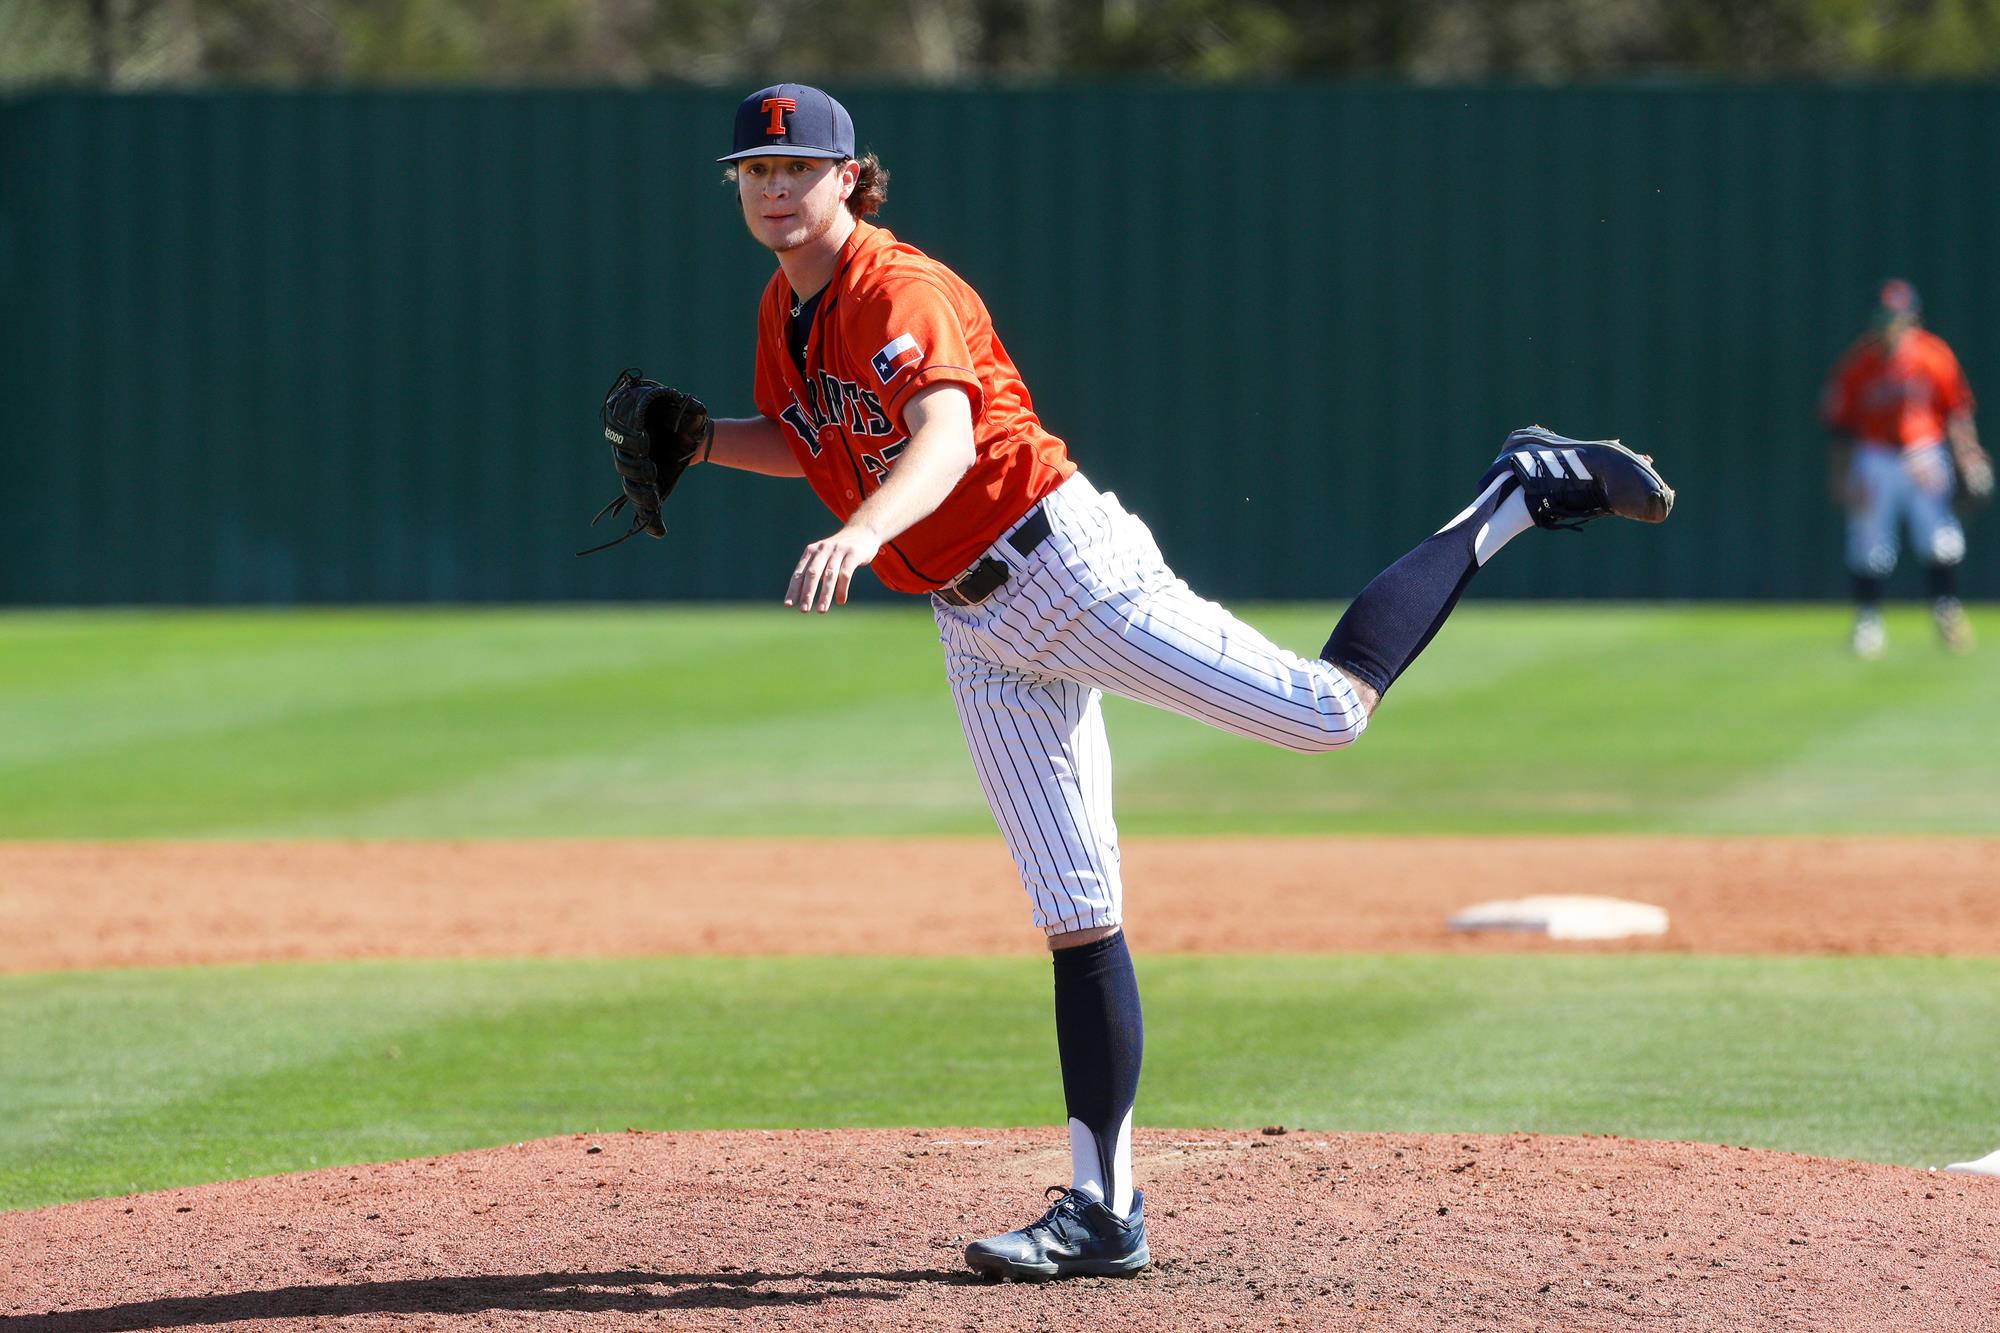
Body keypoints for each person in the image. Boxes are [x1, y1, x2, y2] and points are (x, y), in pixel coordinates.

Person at [642, 83, 1674, 1280]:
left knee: (1325, 714)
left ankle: (1513, 494)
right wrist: (702, 440)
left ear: (847, 177)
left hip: (1059, 565)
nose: (772, 188)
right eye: (754, 172)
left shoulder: (894, 287)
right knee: (1075, 910)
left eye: (795, 168)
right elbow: (812, 437)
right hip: (973, 626)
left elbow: (942, 438)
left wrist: (863, 532)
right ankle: (1103, 1209)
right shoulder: (785, 307)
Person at [1821, 279, 1992, 658]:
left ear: (1912, 317)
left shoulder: (1934, 355)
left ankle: (1947, 612)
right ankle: (1868, 621)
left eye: (1896, 316)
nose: (1890, 324)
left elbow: (1957, 411)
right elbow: (1840, 427)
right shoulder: (1859, 362)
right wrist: (1842, 475)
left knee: (1939, 537)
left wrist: (1967, 455)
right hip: (1875, 457)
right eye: (1883, 317)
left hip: (1924, 453)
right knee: (1869, 541)